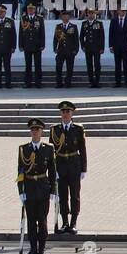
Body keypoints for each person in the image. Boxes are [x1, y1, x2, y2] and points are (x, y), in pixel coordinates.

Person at [17, 118, 57, 254]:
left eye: (37, 130)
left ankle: (41, 250)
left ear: (42, 132)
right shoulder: (23, 149)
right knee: (31, 221)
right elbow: (20, 172)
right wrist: (21, 191)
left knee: (43, 220)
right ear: (30, 132)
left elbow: (52, 171)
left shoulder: (48, 149)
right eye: (33, 130)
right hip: (29, 187)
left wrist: (53, 190)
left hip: (43, 187)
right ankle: (33, 250)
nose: (35, 133)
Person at [51, 100, 87, 235]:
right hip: (60, 165)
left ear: (72, 113)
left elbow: (83, 149)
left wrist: (83, 169)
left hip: (74, 164)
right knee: (62, 195)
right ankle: (64, 221)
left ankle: (73, 222)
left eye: (68, 112)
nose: (65, 114)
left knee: (75, 195)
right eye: (63, 112)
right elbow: (51, 151)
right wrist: (52, 170)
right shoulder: (54, 129)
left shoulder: (78, 129)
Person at [18, 1, 45, 88]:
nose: (30, 10)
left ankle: (38, 82)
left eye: (32, 9)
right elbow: (21, 33)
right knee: (28, 65)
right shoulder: (23, 18)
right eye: (29, 9)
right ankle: (28, 82)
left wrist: (42, 44)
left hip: (37, 45)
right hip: (27, 45)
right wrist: (20, 45)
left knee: (38, 65)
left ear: (34, 9)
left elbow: (42, 33)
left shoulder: (39, 18)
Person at [108, 6, 127, 87]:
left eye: (123, 11)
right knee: (117, 65)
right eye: (120, 10)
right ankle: (118, 82)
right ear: (118, 11)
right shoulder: (113, 21)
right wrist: (110, 46)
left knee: (126, 65)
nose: (122, 12)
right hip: (116, 46)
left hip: (126, 46)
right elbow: (111, 34)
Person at [53, 9, 80, 88]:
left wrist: (76, 50)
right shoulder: (59, 27)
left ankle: (68, 83)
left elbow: (76, 39)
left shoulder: (73, 26)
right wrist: (55, 48)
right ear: (61, 17)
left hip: (70, 50)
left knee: (69, 68)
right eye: (63, 15)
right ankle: (59, 83)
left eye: (67, 15)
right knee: (58, 67)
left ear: (69, 17)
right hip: (60, 50)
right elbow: (55, 39)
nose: (65, 17)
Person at [82, 9, 104, 88]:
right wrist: (83, 46)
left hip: (97, 47)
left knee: (97, 65)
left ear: (94, 14)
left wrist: (102, 48)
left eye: (92, 13)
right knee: (89, 65)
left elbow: (102, 36)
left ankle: (97, 81)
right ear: (87, 14)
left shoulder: (99, 23)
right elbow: (81, 36)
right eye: (89, 13)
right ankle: (91, 82)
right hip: (88, 47)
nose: (91, 15)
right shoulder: (84, 24)